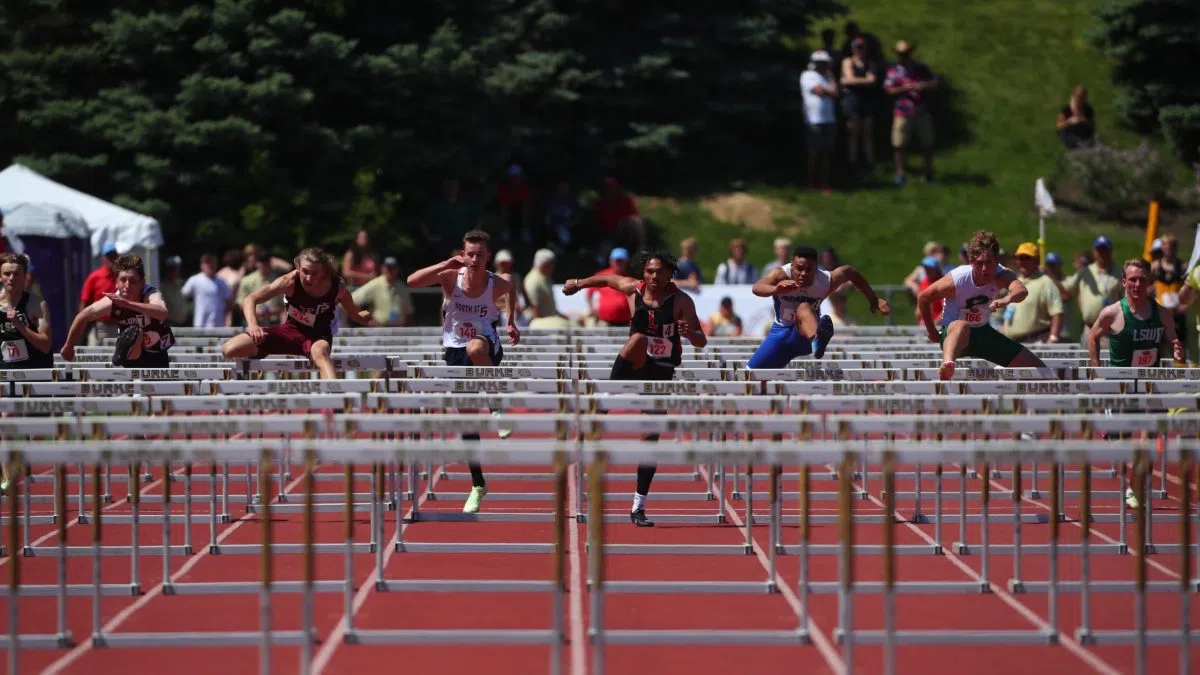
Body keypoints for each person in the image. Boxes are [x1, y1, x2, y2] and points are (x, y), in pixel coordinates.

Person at [563, 250, 707, 527]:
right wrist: (578, 283)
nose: (654, 277)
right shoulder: (633, 290)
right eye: (649, 271)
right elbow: (607, 281)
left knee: (649, 440)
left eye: (659, 272)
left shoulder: (681, 301)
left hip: (662, 371)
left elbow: (701, 341)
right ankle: (603, 403)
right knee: (638, 339)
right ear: (644, 273)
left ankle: (638, 506)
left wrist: (689, 333)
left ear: (669, 274)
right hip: (637, 360)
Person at [407, 230, 520, 515]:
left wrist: (510, 323)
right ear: (463, 253)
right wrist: (445, 264)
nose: (474, 260)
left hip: (486, 346)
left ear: (488, 256)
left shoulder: (497, 282)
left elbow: (512, 289)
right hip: (453, 348)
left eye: (479, 255)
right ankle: (478, 483)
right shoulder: (450, 277)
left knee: (475, 347)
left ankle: (496, 407)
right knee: (467, 418)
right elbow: (412, 281)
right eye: (470, 254)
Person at [1088, 258, 1183, 508]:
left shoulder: (1162, 313)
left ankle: (1135, 487)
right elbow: (1092, 336)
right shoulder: (1112, 313)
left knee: (1150, 440)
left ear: (1149, 282)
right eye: (1133, 279)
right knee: (1120, 446)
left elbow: (1171, 338)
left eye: (1142, 279)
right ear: (1124, 282)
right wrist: (1097, 370)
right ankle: (1110, 423)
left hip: (1151, 384)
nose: (1138, 284)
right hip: (1122, 385)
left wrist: (1175, 349)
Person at [220, 247, 375, 380]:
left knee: (320, 352)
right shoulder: (289, 281)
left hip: (317, 337)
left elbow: (353, 312)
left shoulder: (335, 287)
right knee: (229, 349)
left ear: (322, 272)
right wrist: (253, 325)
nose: (308, 278)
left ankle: (335, 403)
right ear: (298, 267)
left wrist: (360, 316)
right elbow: (250, 299)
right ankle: (258, 352)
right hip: (288, 332)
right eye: (305, 271)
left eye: (314, 273)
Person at [917, 231, 1054, 380]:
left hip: (982, 332)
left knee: (1041, 371)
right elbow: (924, 298)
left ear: (996, 260)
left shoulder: (1001, 275)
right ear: (971, 261)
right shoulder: (957, 280)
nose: (984, 269)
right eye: (979, 263)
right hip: (954, 335)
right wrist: (931, 331)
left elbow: (1021, 291)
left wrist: (1005, 300)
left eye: (989, 263)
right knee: (962, 325)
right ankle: (948, 363)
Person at [747, 246, 890, 368]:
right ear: (792, 265)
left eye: (809, 270)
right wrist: (776, 289)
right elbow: (757, 287)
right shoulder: (780, 274)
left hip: (805, 336)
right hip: (780, 334)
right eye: (799, 269)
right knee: (751, 376)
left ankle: (818, 340)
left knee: (803, 307)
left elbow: (850, 272)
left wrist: (873, 299)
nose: (803, 274)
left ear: (816, 268)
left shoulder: (825, 281)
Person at [62, 254, 175, 368]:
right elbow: (83, 316)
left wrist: (128, 304)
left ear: (142, 282)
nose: (127, 285)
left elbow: (162, 312)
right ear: (116, 283)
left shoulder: (151, 294)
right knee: (136, 333)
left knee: (139, 333)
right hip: (132, 353)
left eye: (133, 280)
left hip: (156, 353)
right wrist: (68, 345)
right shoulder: (112, 301)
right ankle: (122, 354)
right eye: (123, 280)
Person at [0, 253, 53, 370]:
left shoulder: (36, 304)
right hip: (4, 373)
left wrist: (19, 325)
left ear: (25, 276)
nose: (11, 278)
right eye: (7, 274)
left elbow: (45, 346)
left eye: (16, 274)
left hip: (33, 372)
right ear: (0, 277)